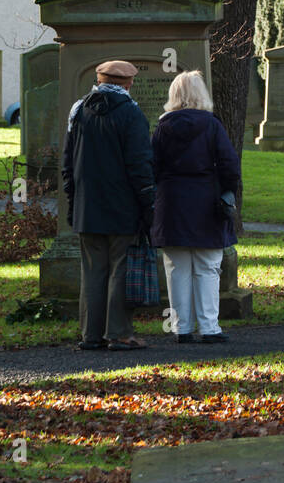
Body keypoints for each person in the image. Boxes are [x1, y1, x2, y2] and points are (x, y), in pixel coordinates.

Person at [62, 59, 154, 351]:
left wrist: (73, 200)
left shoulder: (78, 111)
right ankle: (119, 333)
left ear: (99, 81)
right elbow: (139, 164)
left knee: (92, 270)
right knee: (120, 268)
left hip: (87, 206)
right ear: (128, 83)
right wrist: (148, 201)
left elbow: (67, 163)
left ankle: (90, 335)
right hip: (123, 205)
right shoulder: (132, 114)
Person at [151, 70, 240, 344]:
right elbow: (229, 165)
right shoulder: (212, 125)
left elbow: (151, 167)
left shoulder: (163, 127)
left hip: (172, 202)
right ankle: (210, 327)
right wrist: (226, 190)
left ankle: (182, 327)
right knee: (208, 266)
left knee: (177, 268)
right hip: (206, 201)